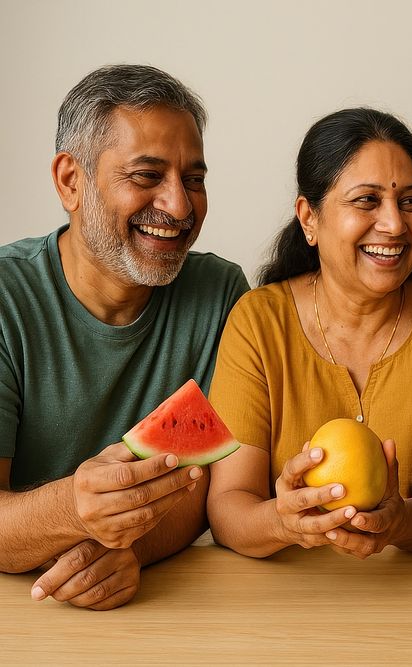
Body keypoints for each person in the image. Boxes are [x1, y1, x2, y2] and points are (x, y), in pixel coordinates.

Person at [0, 64, 249, 609]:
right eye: (146, 176)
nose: (179, 206)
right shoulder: (4, 299)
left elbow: (205, 486)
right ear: (71, 181)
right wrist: (75, 507)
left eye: (194, 180)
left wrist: (130, 548)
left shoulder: (222, 293)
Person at [207, 108, 412, 559]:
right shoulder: (258, 321)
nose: (395, 224)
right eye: (367, 200)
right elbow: (228, 506)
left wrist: (399, 521)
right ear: (308, 218)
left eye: (410, 201)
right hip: (282, 595)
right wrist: (282, 521)